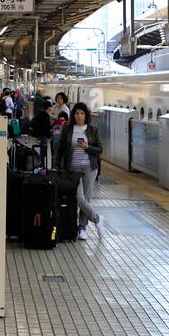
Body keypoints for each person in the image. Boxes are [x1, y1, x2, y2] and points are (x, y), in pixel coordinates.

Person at [54, 102, 104, 240]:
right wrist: (57, 164)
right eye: (76, 113)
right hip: (72, 169)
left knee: (86, 198)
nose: (79, 116)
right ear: (73, 115)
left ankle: (82, 228)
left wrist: (87, 147)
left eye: (82, 113)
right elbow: (60, 148)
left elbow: (100, 149)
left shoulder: (93, 129)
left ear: (86, 115)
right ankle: (97, 219)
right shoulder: (68, 129)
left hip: (89, 168)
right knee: (79, 198)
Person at [28, 97, 53, 167]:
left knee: (42, 149)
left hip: (40, 134)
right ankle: (42, 163)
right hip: (43, 135)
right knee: (43, 150)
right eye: (51, 107)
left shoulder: (42, 114)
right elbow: (46, 127)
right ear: (48, 107)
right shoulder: (45, 115)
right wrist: (49, 133)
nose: (52, 108)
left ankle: (41, 163)